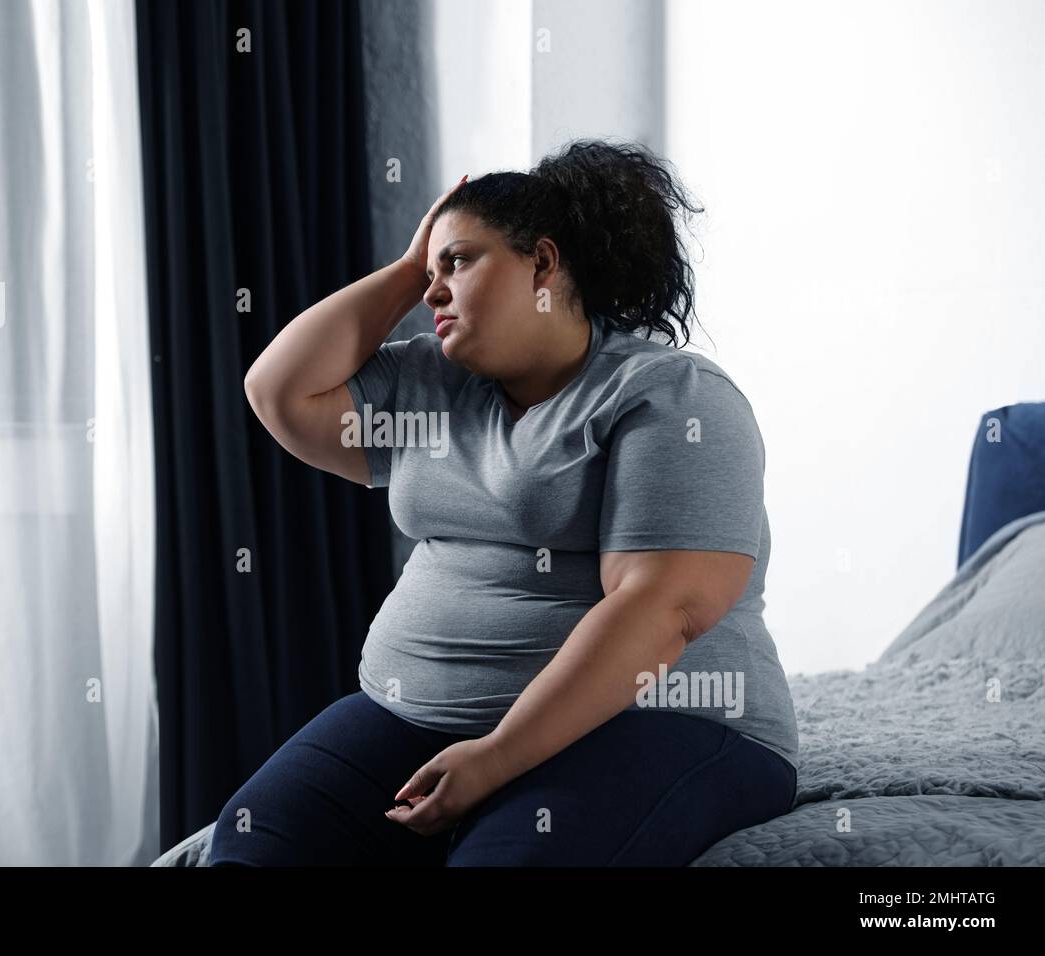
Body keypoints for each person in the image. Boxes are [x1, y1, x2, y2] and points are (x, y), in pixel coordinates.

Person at [218, 138, 799, 866]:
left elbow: (663, 610)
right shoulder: (427, 384)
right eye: (429, 274)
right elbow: (278, 392)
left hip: (659, 718)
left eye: (458, 262)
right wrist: (408, 269)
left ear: (544, 264)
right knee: (251, 844)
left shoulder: (671, 396)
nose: (433, 292)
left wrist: (493, 760)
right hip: (416, 714)